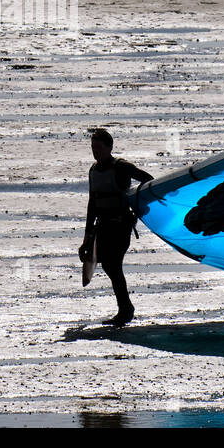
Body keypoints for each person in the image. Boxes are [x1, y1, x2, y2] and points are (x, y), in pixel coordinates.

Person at [79, 128, 153, 326]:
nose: (95, 151)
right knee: (109, 266)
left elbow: (149, 180)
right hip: (102, 226)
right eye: (93, 147)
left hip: (120, 226)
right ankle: (125, 308)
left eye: (99, 147)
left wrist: (138, 209)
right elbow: (92, 204)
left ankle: (125, 310)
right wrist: (86, 240)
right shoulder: (93, 170)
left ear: (109, 147)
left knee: (113, 265)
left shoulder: (121, 167)